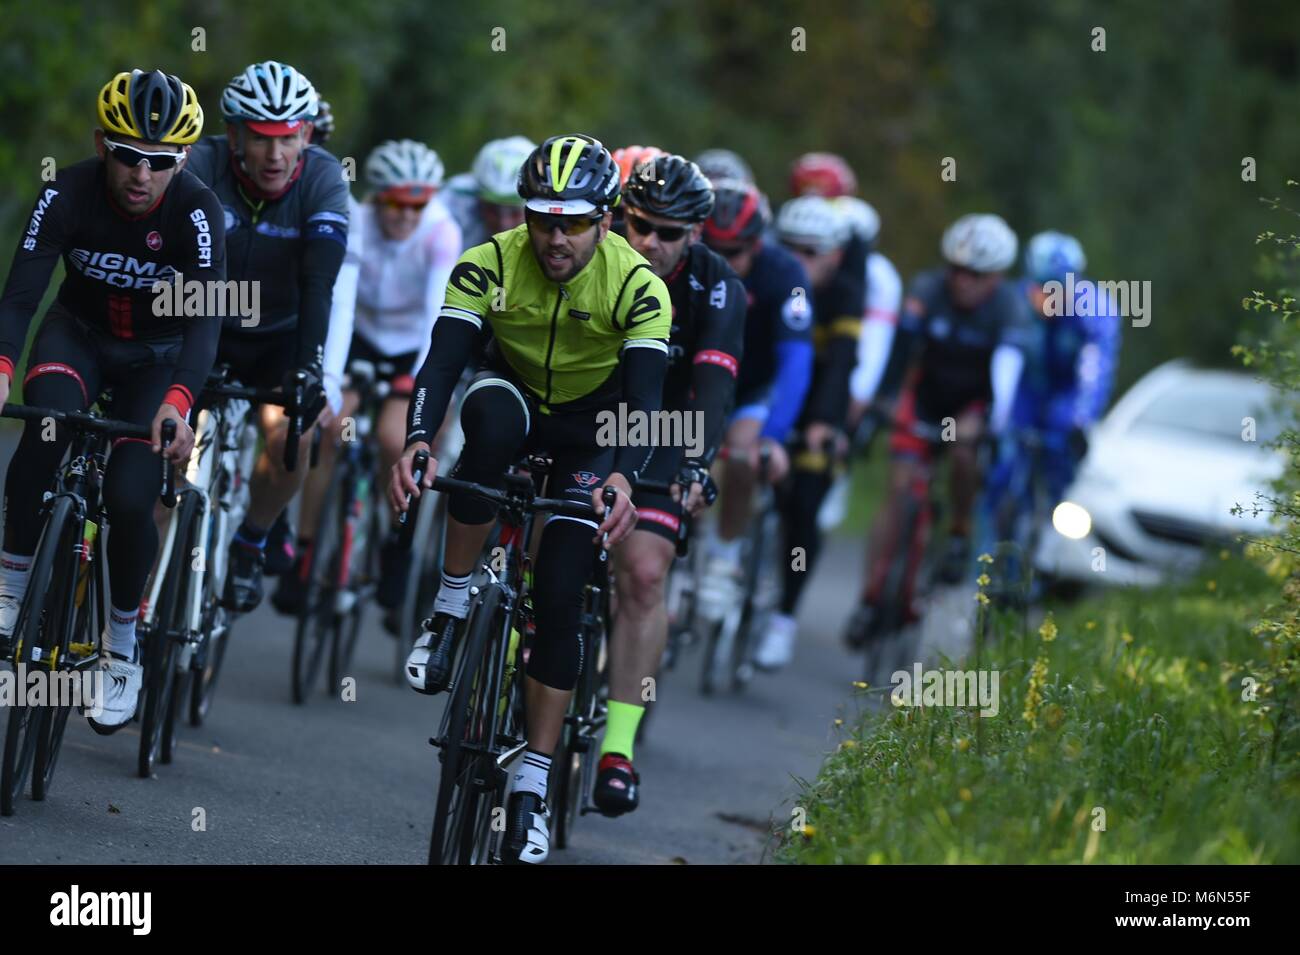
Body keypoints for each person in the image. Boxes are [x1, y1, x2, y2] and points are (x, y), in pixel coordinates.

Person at [390, 134, 671, 863]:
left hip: (590, 434)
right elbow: (444, 362)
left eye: (573, 222)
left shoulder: (639, 287)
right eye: (542, 218)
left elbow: (643, 403)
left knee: (559, 585)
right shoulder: (489, 262)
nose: (554, 236)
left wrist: (624, 477)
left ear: (605, 219)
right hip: (508, 393)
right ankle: (451, 604)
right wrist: (419, 438)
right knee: (485, 429)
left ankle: (533, 784)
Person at [0, 69, 222, 730]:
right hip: (80, 338)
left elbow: (207, 323)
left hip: (157, 360)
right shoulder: (64, 191)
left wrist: (179, 401)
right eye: (128, 154)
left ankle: (122, 644)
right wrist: (3, 363)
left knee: (130, 497)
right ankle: (11, 584)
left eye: (160, 162)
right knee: (44, 427)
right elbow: (19, 297)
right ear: (103, 145)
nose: (141, 174)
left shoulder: (197, 210)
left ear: (181, 161)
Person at [598, 154, 744, 815]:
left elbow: (713, 385)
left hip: (669, 423)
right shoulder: (593, 257)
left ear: (695, 235)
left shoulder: (718, 288)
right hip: (588, 410)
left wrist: (697, 461)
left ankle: (617, 747)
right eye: (637, 225)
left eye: (666, 232)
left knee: (647, 573)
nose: (648, 242)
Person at [184, 60, 350, 614]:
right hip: (198, 324)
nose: (275, 155)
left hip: (278, 335)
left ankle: (253, 536)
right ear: (233, 134)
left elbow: (320, 280)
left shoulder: (325, 177)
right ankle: (136, 617)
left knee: (293, 436)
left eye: (287, 138)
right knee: (156, 454)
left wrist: (312, 369)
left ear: (305, 133)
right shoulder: (202, 163)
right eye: (259, 138)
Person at [274, 139, 461, 614]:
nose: (404, 215)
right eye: (395, 203)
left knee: (393, 437)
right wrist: (331, 380)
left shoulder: (442, 231)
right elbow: (342, 295)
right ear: (377, 197)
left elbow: (436, 315)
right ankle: (307, 551)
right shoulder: (357, 221)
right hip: (358, 336)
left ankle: (395, 545)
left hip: (409, 348)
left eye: (416, 205)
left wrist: (418, 381)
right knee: (331, 428)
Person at [844, 213, 1034, 646]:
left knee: (966, 453)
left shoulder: (1009, 307)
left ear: (997, 276)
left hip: (971, 403)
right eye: (956, 269)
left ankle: (959, 532)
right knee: (898, 490)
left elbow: (1005, 376)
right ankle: (873, 596)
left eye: (976, 274)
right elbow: (899, 351)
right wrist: (882, 401)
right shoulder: (928, 290)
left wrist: (991, 424)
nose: (963, 280)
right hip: (926, 395)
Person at [752, 195, 864, 670]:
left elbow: (840, 365)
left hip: (819, 403)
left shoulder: (844, 293)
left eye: (811, 252)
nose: (799, 260)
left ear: (835, 256)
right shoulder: (770, 276)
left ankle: (784, 617)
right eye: (790, 247)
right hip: (766, 392)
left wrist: (824, 424)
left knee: (805, 503)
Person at [696, 180, 814, 619]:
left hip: (752, 385)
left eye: (736, 253)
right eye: (714, 249)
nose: (724, 262)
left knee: (744, 456)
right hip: (698, 379)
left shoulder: (788, 275)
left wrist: (775, 436)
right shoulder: (688, 264)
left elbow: (797, 361)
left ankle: (725, 558)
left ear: (757, 244)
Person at [980, 231, 1120, 567]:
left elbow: (1094, 369)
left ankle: (1050, 544)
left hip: (1066, 394)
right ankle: (987, 552)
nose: (1046, 297)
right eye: (1040, 287)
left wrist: (1081, 420)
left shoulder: (1095, 309)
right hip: (1026, 390)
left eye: (1057, 288)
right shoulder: (1015, 301)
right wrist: (996, 415)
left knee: (1061, 459)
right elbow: (1003, 360)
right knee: (1002, 469)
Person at [439, 135, 536, 250]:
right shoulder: (455, 196)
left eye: (515, 213)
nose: (504, 224)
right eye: (493, 210)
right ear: (479, 200)